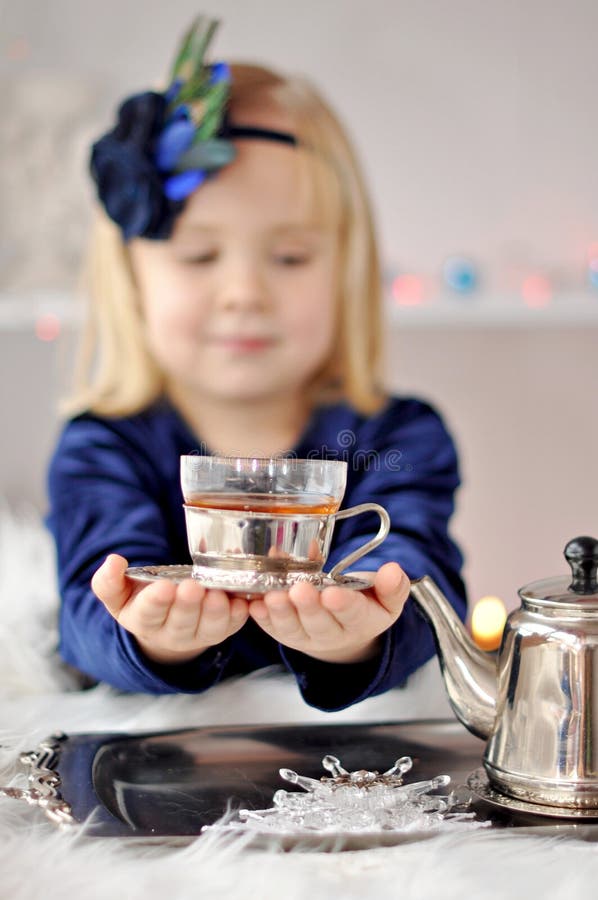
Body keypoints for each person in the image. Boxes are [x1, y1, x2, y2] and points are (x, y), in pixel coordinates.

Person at [46, 16, 467, 710]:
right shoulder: (104, 447)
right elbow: (86, 608)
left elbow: (424, 587)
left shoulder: (395, 440)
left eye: (291, 257)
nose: (244, 294)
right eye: (199, 257)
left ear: (346, 273)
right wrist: (153, 635)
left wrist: (361, 636)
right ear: (132, 281)